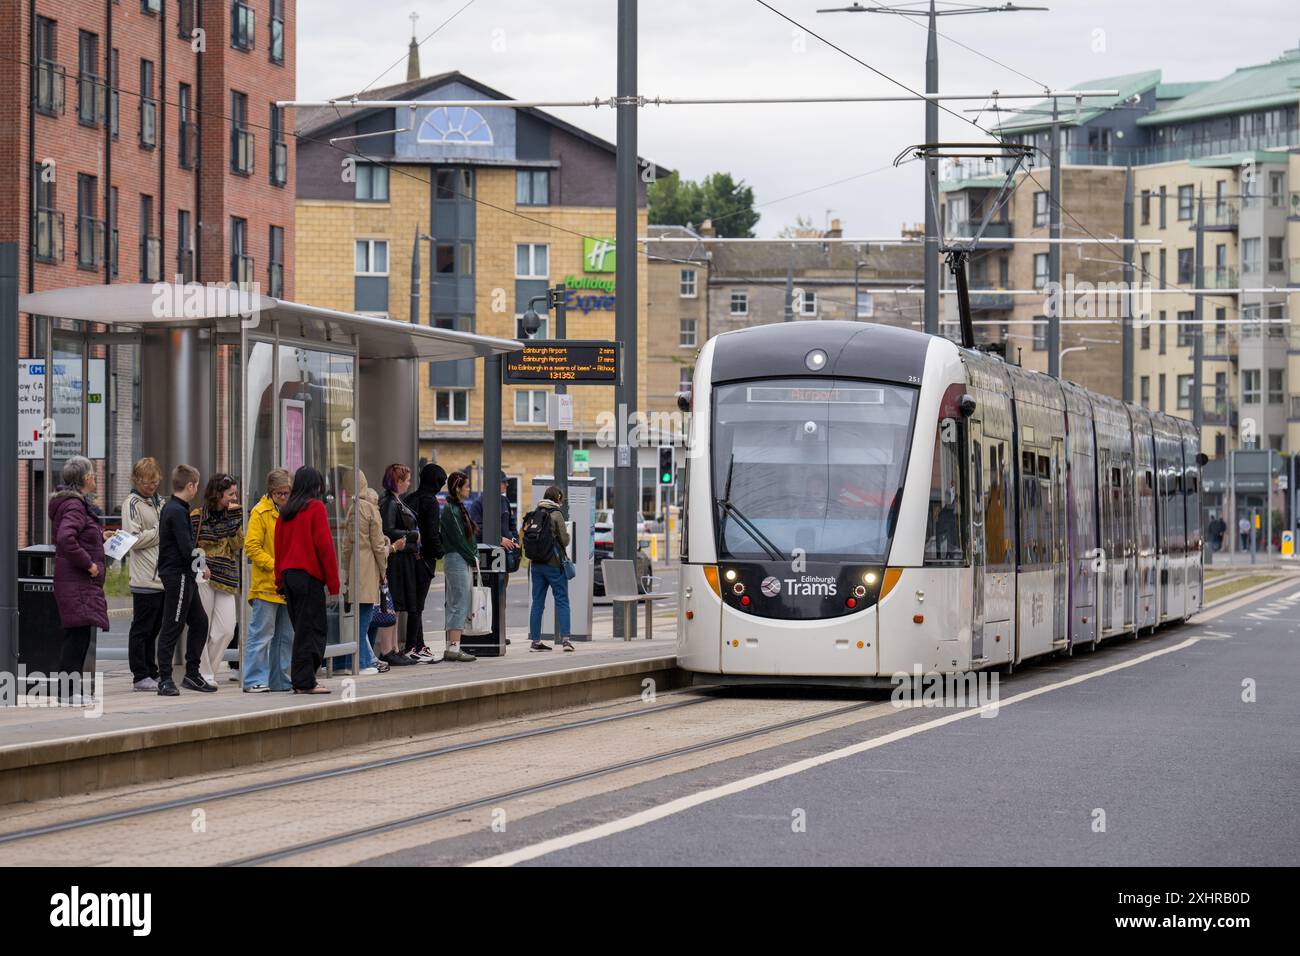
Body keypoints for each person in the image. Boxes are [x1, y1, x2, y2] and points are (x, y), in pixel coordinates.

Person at [49, 456, 112, 704]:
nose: (96, 478)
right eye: (94, 474)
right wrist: (89, 564)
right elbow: (66, 538)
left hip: (75, 582)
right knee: (77, 638)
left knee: (79, 635)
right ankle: (67, 693)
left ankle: (71, 692)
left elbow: (76, 534)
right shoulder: (75, 506)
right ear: (86, 478)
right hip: (77, 581)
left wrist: (99, 534)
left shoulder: (72, 505)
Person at [274, 466, 341, 694]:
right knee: (313, 629)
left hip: (289, 576)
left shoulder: (286, 511)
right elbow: (325, 547)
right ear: (316, 485)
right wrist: (333, 583)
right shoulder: (315, 508)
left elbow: (279, 547)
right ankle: (305, 681)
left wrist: (279, 581)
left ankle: (304, 678)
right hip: (308, 576)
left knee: (301, 628)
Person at [155, 464, 213, 696]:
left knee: (199, 622)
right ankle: (165, 679)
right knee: (173, 625)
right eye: (196, 485)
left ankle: (192, 673)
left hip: (184, 575)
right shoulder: (176, 511)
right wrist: (202, 565)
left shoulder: (177, 508)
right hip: (177, 575)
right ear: (190, 486)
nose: (197, 489)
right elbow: (185, 546)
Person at [244, 468, 294, 692]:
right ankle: (254, 679)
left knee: (285, 637)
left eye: (287, 493)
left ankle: (280, 679)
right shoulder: (260, 512)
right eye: (280, 494)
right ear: (271, 492)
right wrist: (275, 565)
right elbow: (251, 547)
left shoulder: (290, 512)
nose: (284, 497)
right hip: (266, 584)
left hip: (286, 584)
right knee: (261, 635)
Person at [192, 474, 242, 688]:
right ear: (218, 494)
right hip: (204, 575)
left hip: (227, 577)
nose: (234, 497)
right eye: (230, 494)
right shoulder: (197, 515)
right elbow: (191, 544)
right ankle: (203, 673)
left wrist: (234, 518)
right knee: (203, 626)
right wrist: (201, 566)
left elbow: (239, 544)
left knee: (227, 628)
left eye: (235, 493)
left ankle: (207, 670)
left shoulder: (233, 515)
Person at [379, 464, 430, 664]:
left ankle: (394, 647)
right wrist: (413, 535)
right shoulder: (391, 502)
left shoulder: (395, 500)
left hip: (403, 557)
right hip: (397, 558)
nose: (409, 483)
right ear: (398, 481)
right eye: (406, 480)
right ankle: (388, 649)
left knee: (398, 604)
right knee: (395, 603)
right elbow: (389, 530)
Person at [122, 457, 164, 692]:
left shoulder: (158, 502)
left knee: (154, 629)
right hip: (144, 576)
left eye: (156, 482)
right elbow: (131, 539)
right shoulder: (132, 503)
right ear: (137, 480)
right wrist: (159, 531)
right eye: (148, 482)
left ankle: (151, 671)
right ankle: (140, 675)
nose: (152, 486)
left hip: (161, 577)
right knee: (142, 628)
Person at [343, 470, 390, 675]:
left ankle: (348, 661)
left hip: (354, 563)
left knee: (354, 619)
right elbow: (379, 545)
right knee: (364, 617)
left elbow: (346, 544)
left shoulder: (351, 509)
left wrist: (344, 569)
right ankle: (362, 662)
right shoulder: (371, 509)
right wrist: (383, 569)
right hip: (369, 564)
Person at [467, 470, 516, 644]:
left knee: (501, 596)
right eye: (504, 481)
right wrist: (499, 539)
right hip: (488, 558)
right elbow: (476, 527)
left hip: (504, 557)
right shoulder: (478, 503)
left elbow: (511, 524)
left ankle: (500, 631)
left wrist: (514, 539)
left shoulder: (505, 502)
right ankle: (487, 629)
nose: (507, 484)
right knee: (488, 595)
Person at [524, 485, 574, 652]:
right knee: (562, 600)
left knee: (537, 602)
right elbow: (565, 540)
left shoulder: (535, 513)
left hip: (536, 564)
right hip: (553, 563)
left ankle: (536, 641)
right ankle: (566, 640)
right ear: (557, 498)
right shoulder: (556, 514)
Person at [405, 462, 447, 654]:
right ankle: (413, 645)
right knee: (418, 604)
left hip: (409, 554)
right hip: (425, 558)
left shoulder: (410, 498)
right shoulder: (431, 502)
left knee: (414, 602)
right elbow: (432, 533)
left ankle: (418, 643)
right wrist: (440, 552)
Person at [438, 471, 480, 662]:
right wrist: (472, 556)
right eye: (467, 486)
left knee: (457, 601)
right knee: (459, 602)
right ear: (457, 488)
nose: (469, 489)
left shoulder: (458, 508)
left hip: (460, 558)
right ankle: (454, 647)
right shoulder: (451, 510)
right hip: (457, 558)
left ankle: (452, 646)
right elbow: (459, 538)